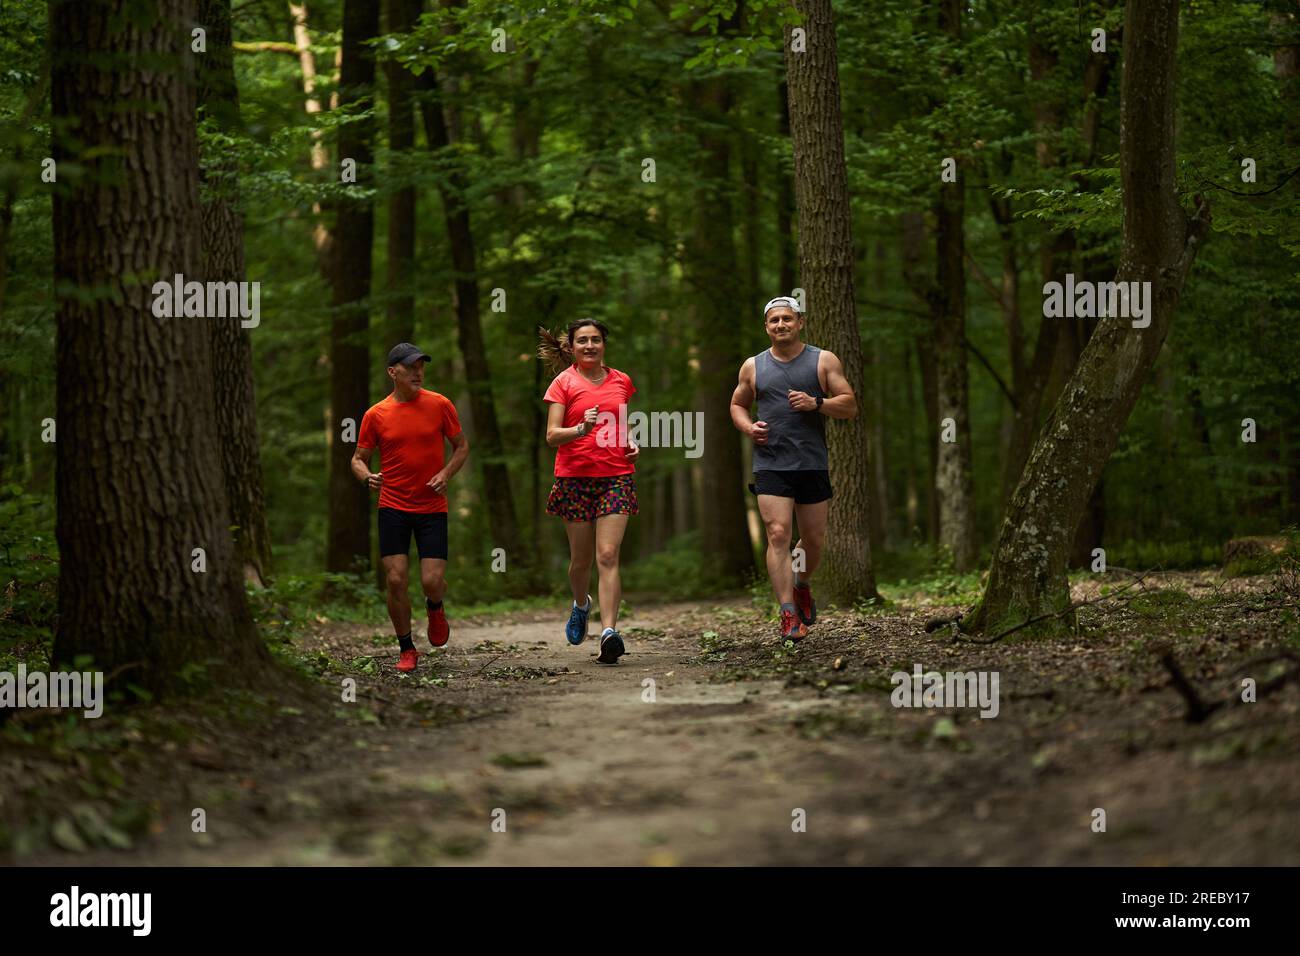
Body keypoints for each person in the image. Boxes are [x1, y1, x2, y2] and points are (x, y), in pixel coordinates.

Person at [729, 296, 858, 641]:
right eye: (774, 321)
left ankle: (801, 584)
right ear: (766, 327)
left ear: (799, 322)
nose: (781, 325)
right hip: (771, 462)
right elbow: (738, 404)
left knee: (813, 540)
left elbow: (849, 406)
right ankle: (788, 614)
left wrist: (817, 402)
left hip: (811, 462)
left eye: (787, 319)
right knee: (777, 534)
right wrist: (747, 427)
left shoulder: (823, 360)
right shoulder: (753, 366)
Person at [352, 343, 470, 673]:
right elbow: (358, 459)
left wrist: (446, 474)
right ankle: (406, 647)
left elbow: (461, 446)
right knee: (395, 580)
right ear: (393, 372)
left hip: (432, 506)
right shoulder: (375, 415)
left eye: (421, 366)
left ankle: (435, 606)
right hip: (393, 506)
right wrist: (367, 477)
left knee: (431, 581)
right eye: (410, 366)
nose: (418, 372)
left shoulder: (439, 404)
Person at [538, 319, 639, 665]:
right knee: (580, 562)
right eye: (583, 341)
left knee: (608, 555)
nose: (590, 345)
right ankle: (582, 604)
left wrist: (631, 444)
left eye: (596, 340)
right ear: (572, 346)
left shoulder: (621, 381)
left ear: (604, 344)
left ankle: (610, 632)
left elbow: (620, 427)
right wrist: (580, 428)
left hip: (616, 475)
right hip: (574, 478)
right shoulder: (563, 383)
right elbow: (552, 435)